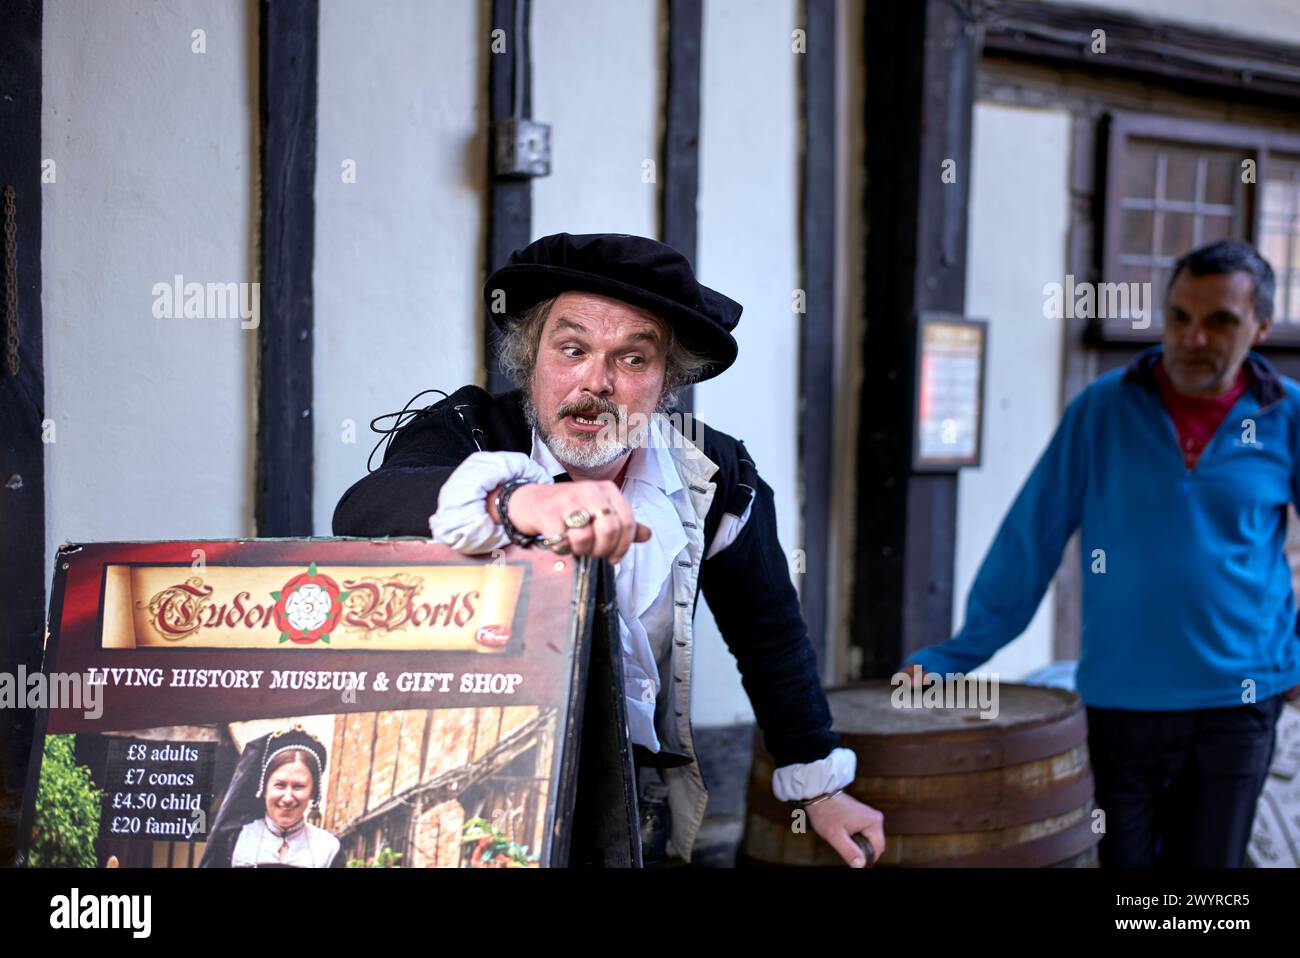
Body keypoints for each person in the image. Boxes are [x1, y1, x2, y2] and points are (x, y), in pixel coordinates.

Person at [333, 232, 884, 867]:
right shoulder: (471, 430)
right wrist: (514, 503)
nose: (596, 382)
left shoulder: (716, 472)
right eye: (572, 349)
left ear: (666, 382)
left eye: (632, 360)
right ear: (531, 357)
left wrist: (818, 787)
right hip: (470, 784)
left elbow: (769, 634)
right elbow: (364, 510)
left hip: (636, 792)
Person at [899, 239, 1300, 867]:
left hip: (1238, 701)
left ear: (1261, 326)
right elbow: (1032, 536)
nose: (1194, 338)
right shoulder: (1104, 408)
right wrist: (956, 654)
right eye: (1179, 317)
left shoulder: (1287, 416)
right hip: (1122, 700)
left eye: (1220, 320)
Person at [201, 726, 343, 868]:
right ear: (264, 788)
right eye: (280, 785)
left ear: (313, 791)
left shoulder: (328, 848)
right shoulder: (237, 838)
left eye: (298, 786)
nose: (287, 798)